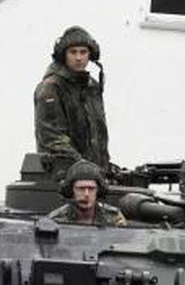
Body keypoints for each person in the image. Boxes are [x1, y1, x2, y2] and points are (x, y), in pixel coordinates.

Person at [34, 25, 110, 175]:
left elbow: (99, 136)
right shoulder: (51, 87)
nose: (79, 58)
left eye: (83, 52)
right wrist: (84, 167)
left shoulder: (92, 87)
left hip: (93, 176)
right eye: (73, 52)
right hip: (62, 175)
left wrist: (104, 168)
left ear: (91, 55)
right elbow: (52, 138)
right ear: (63, 55)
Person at [48, 160, 126, 226]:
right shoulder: (56, 220)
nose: (86, 194)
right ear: (71, 191)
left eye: (91, 189)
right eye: (81, 188)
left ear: (98, 190)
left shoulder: (113, 217)